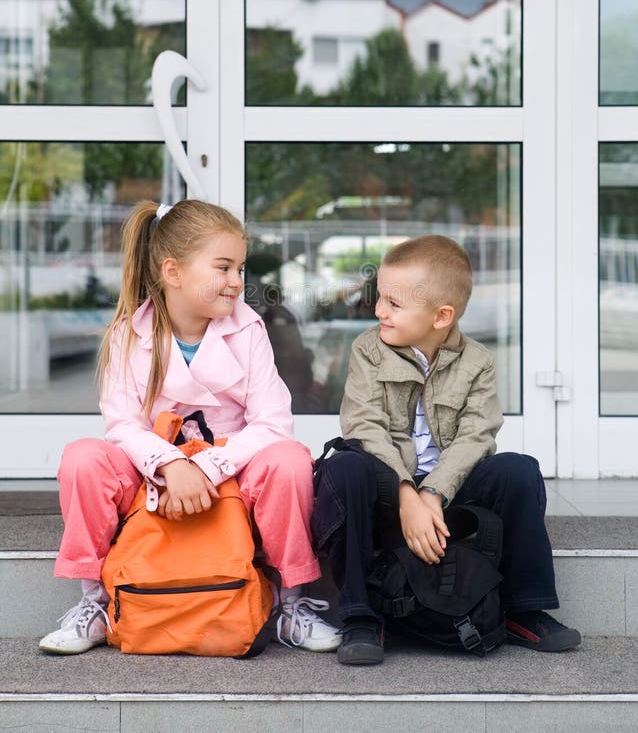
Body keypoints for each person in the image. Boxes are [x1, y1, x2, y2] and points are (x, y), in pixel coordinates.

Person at [39, 199, 341, 656]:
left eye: (240, 268)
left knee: (290, 460)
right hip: (152, 474)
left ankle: (288, 603)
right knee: (83, 458)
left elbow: (273, 421)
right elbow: (122, 424)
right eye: (223, 267)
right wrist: (171, 465)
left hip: (230, 474)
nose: (237, 282)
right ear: (173, 272)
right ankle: (98, 603)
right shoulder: (129, 333)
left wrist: (208, 466)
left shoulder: (249, 330)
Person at [311, 234, 581, 665]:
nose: (379, 310)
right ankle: (360, 615)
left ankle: (523, 608)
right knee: (345, 468)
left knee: (519, 469)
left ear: (441, 316)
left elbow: (478, 433)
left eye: (394, 303)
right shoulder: (368, 350)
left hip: (446, 500)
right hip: (385, 493)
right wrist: (405, 492)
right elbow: (365, 425)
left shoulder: (478, 362)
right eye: (379, 297)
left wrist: (432, 494)